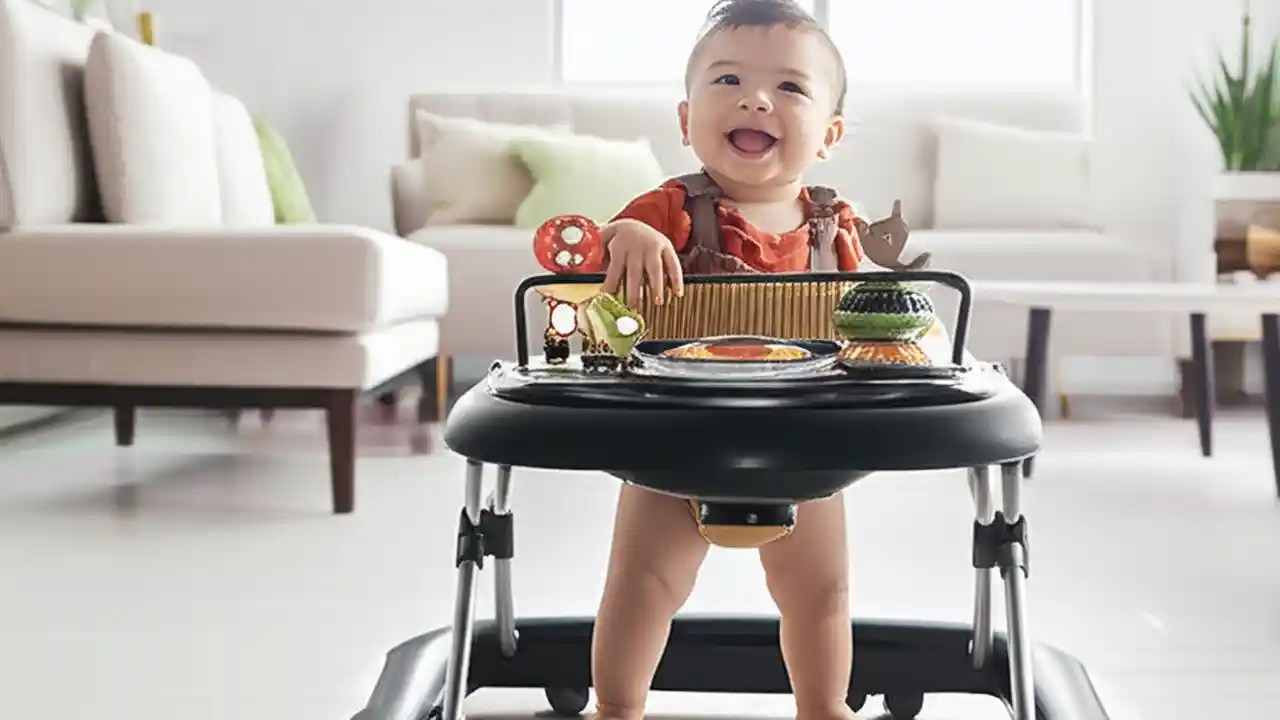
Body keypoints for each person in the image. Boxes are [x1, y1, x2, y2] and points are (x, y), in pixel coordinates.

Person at [587, 2, 872, 719]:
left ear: (830, 135)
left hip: (805, 438)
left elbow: (872, 317)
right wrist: (627, 236)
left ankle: (823, 704)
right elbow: (599, 262)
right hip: (677, 429)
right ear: (686, 121)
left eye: (791, 88)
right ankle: (617, 706)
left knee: (821, 590)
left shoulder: (837, 227)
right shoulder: (670, 209)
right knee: (644, 580)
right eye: (729, 80)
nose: (755, 99)